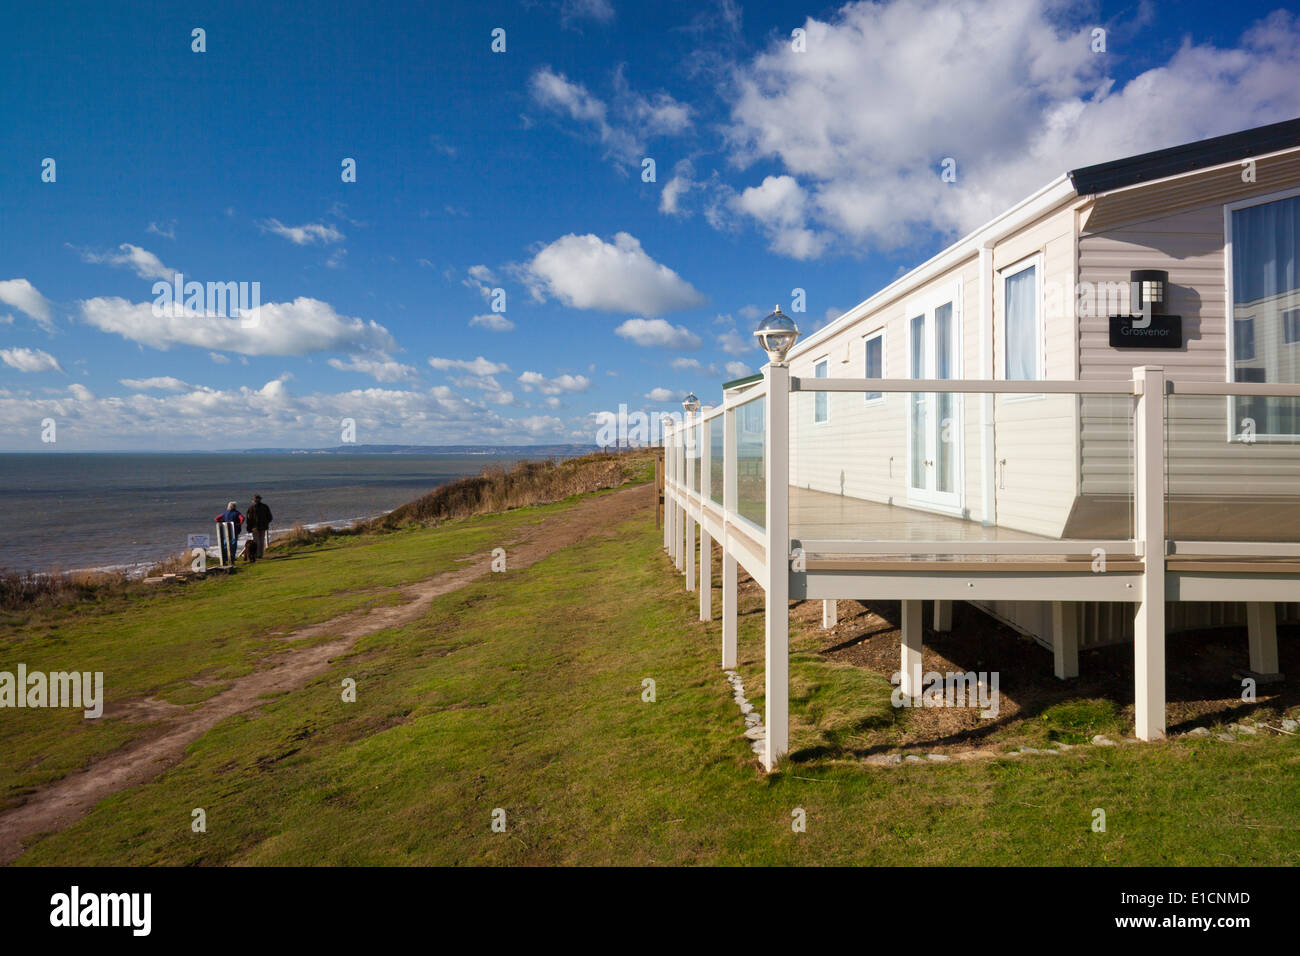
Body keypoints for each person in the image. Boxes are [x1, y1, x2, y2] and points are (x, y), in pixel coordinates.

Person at [245, 494, 273, 562]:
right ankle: (260, 554)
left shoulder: (251, 508)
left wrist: (249, 528)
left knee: (256, 541)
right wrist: (266, 523)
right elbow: (270, 517)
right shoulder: (265, 507)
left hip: (255, 527)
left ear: (253, 500)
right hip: (263, 526)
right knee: (261, 541)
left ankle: (256, 554)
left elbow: (249, 520)